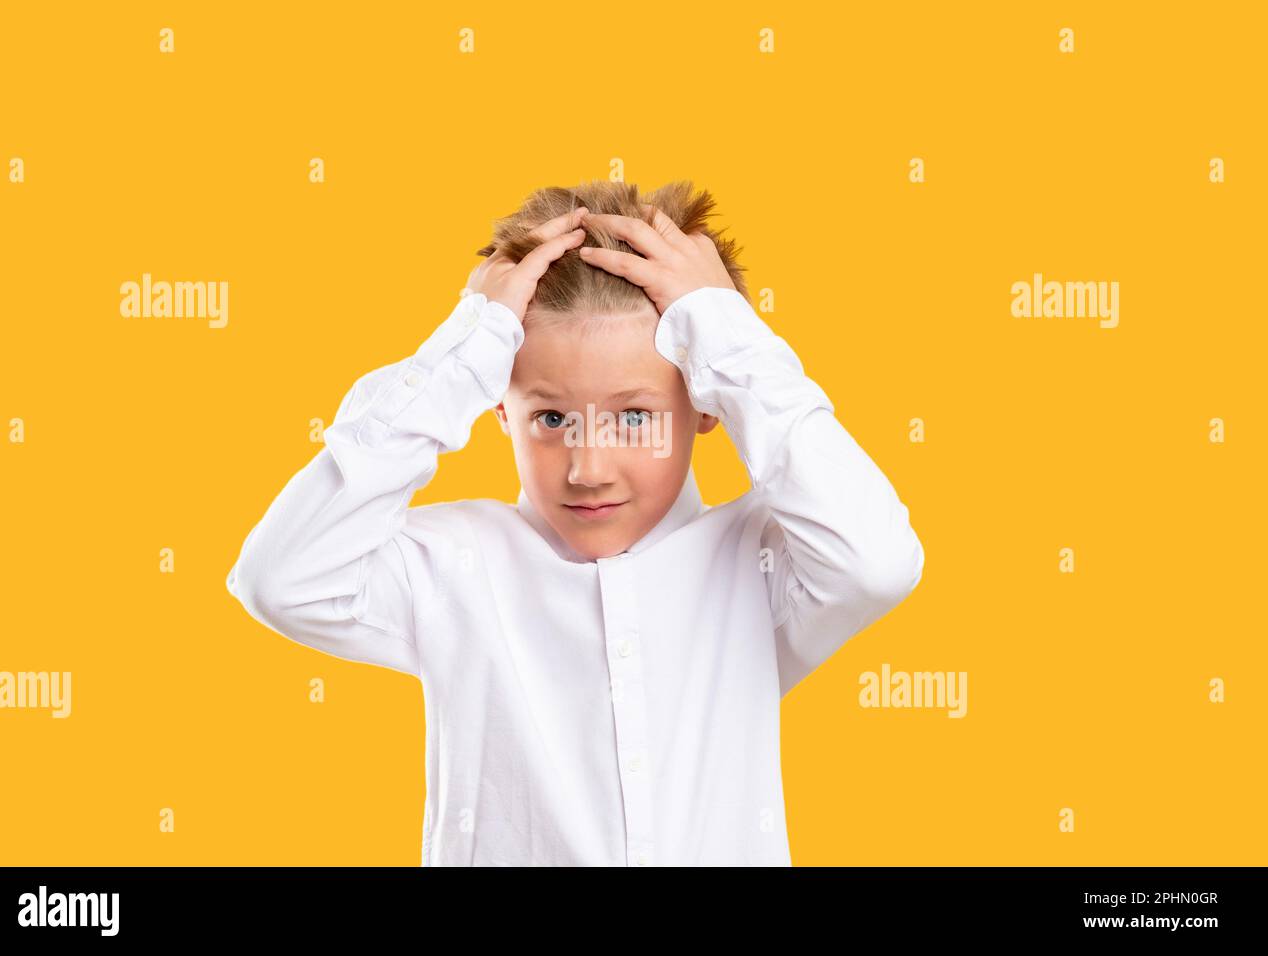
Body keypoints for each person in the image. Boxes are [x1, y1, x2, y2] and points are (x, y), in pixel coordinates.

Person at [225, 179, 925, 865]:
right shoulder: (456, 566)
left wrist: (724, 334)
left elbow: (879, 560)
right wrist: (462, 352)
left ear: (706, 400)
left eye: (634, 416)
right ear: (499, 403)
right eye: (551, 417)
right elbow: (280, 578)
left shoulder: (762, 565)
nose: (588, 466)